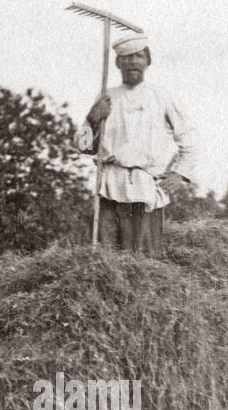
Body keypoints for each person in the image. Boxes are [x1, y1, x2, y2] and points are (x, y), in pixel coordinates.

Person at [74, 33, 196, 253]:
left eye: (138, 56)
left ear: (148, 61)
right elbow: (84, 146)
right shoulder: (106, 97)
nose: (132, 62)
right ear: (118, 63)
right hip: (110, 187)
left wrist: (179, 173)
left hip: (146, 188)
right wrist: (94, 117)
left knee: (145, 259)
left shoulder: (161, 97)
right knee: (108, 258)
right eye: (126, 58)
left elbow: (189, 140)